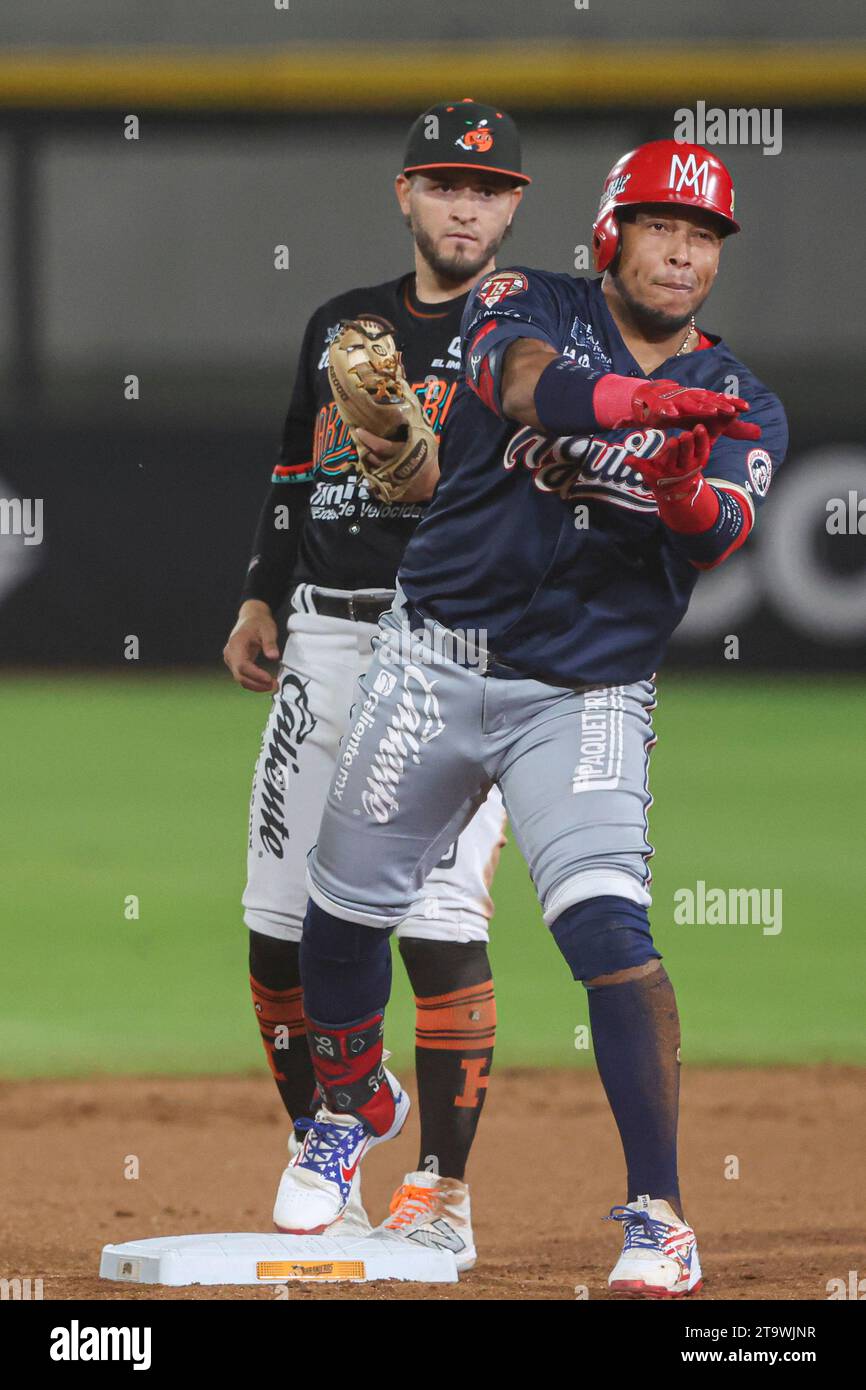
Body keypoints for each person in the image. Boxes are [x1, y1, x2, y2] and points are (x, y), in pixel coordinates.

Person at [279, 139, 789, 1297]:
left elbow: (717, 531)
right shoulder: (529, 298)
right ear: (610, 232)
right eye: (661, 225)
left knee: (608, 933)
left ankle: (657, 1213)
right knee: (343, 910)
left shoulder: (743, 398)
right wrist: (629, 404)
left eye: (703, 235)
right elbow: (517, 384)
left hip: (585, 690)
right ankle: (354, 1098)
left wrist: (673, 482)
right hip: (434, 654)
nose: (682, 251)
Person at [223, 99, 529, 1270]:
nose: (464, 203)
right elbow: (293, 468)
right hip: (324, 641)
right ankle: (330, 1153)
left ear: (512, 207)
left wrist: (428, 469)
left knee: (435, 925)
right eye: (443, 183)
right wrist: (262, 593)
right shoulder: (339, 320)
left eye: (486, 187)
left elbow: (542, 474)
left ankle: (441, 1191)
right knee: (273, 935)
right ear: (403, 194)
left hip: (456, 650)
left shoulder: (534, 322)